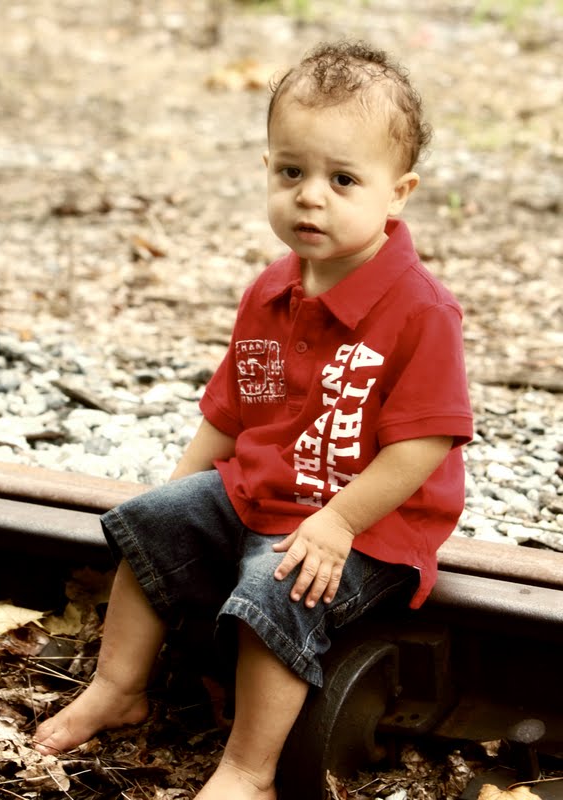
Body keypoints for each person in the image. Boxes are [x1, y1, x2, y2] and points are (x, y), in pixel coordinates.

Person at [34, 40, 473, 800]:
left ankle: (248, 771)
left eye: (343, 180)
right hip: (263, 492)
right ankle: (117, 686)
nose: (311, 197)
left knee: (282, 583)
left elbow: (423, 447)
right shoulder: (271, 293)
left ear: (398, 193)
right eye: (291, 172)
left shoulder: (419, 312)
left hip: (370, 524)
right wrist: (174, 503)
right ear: (266, 168)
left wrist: (337, 522)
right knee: (150, 522)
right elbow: (235, 411)